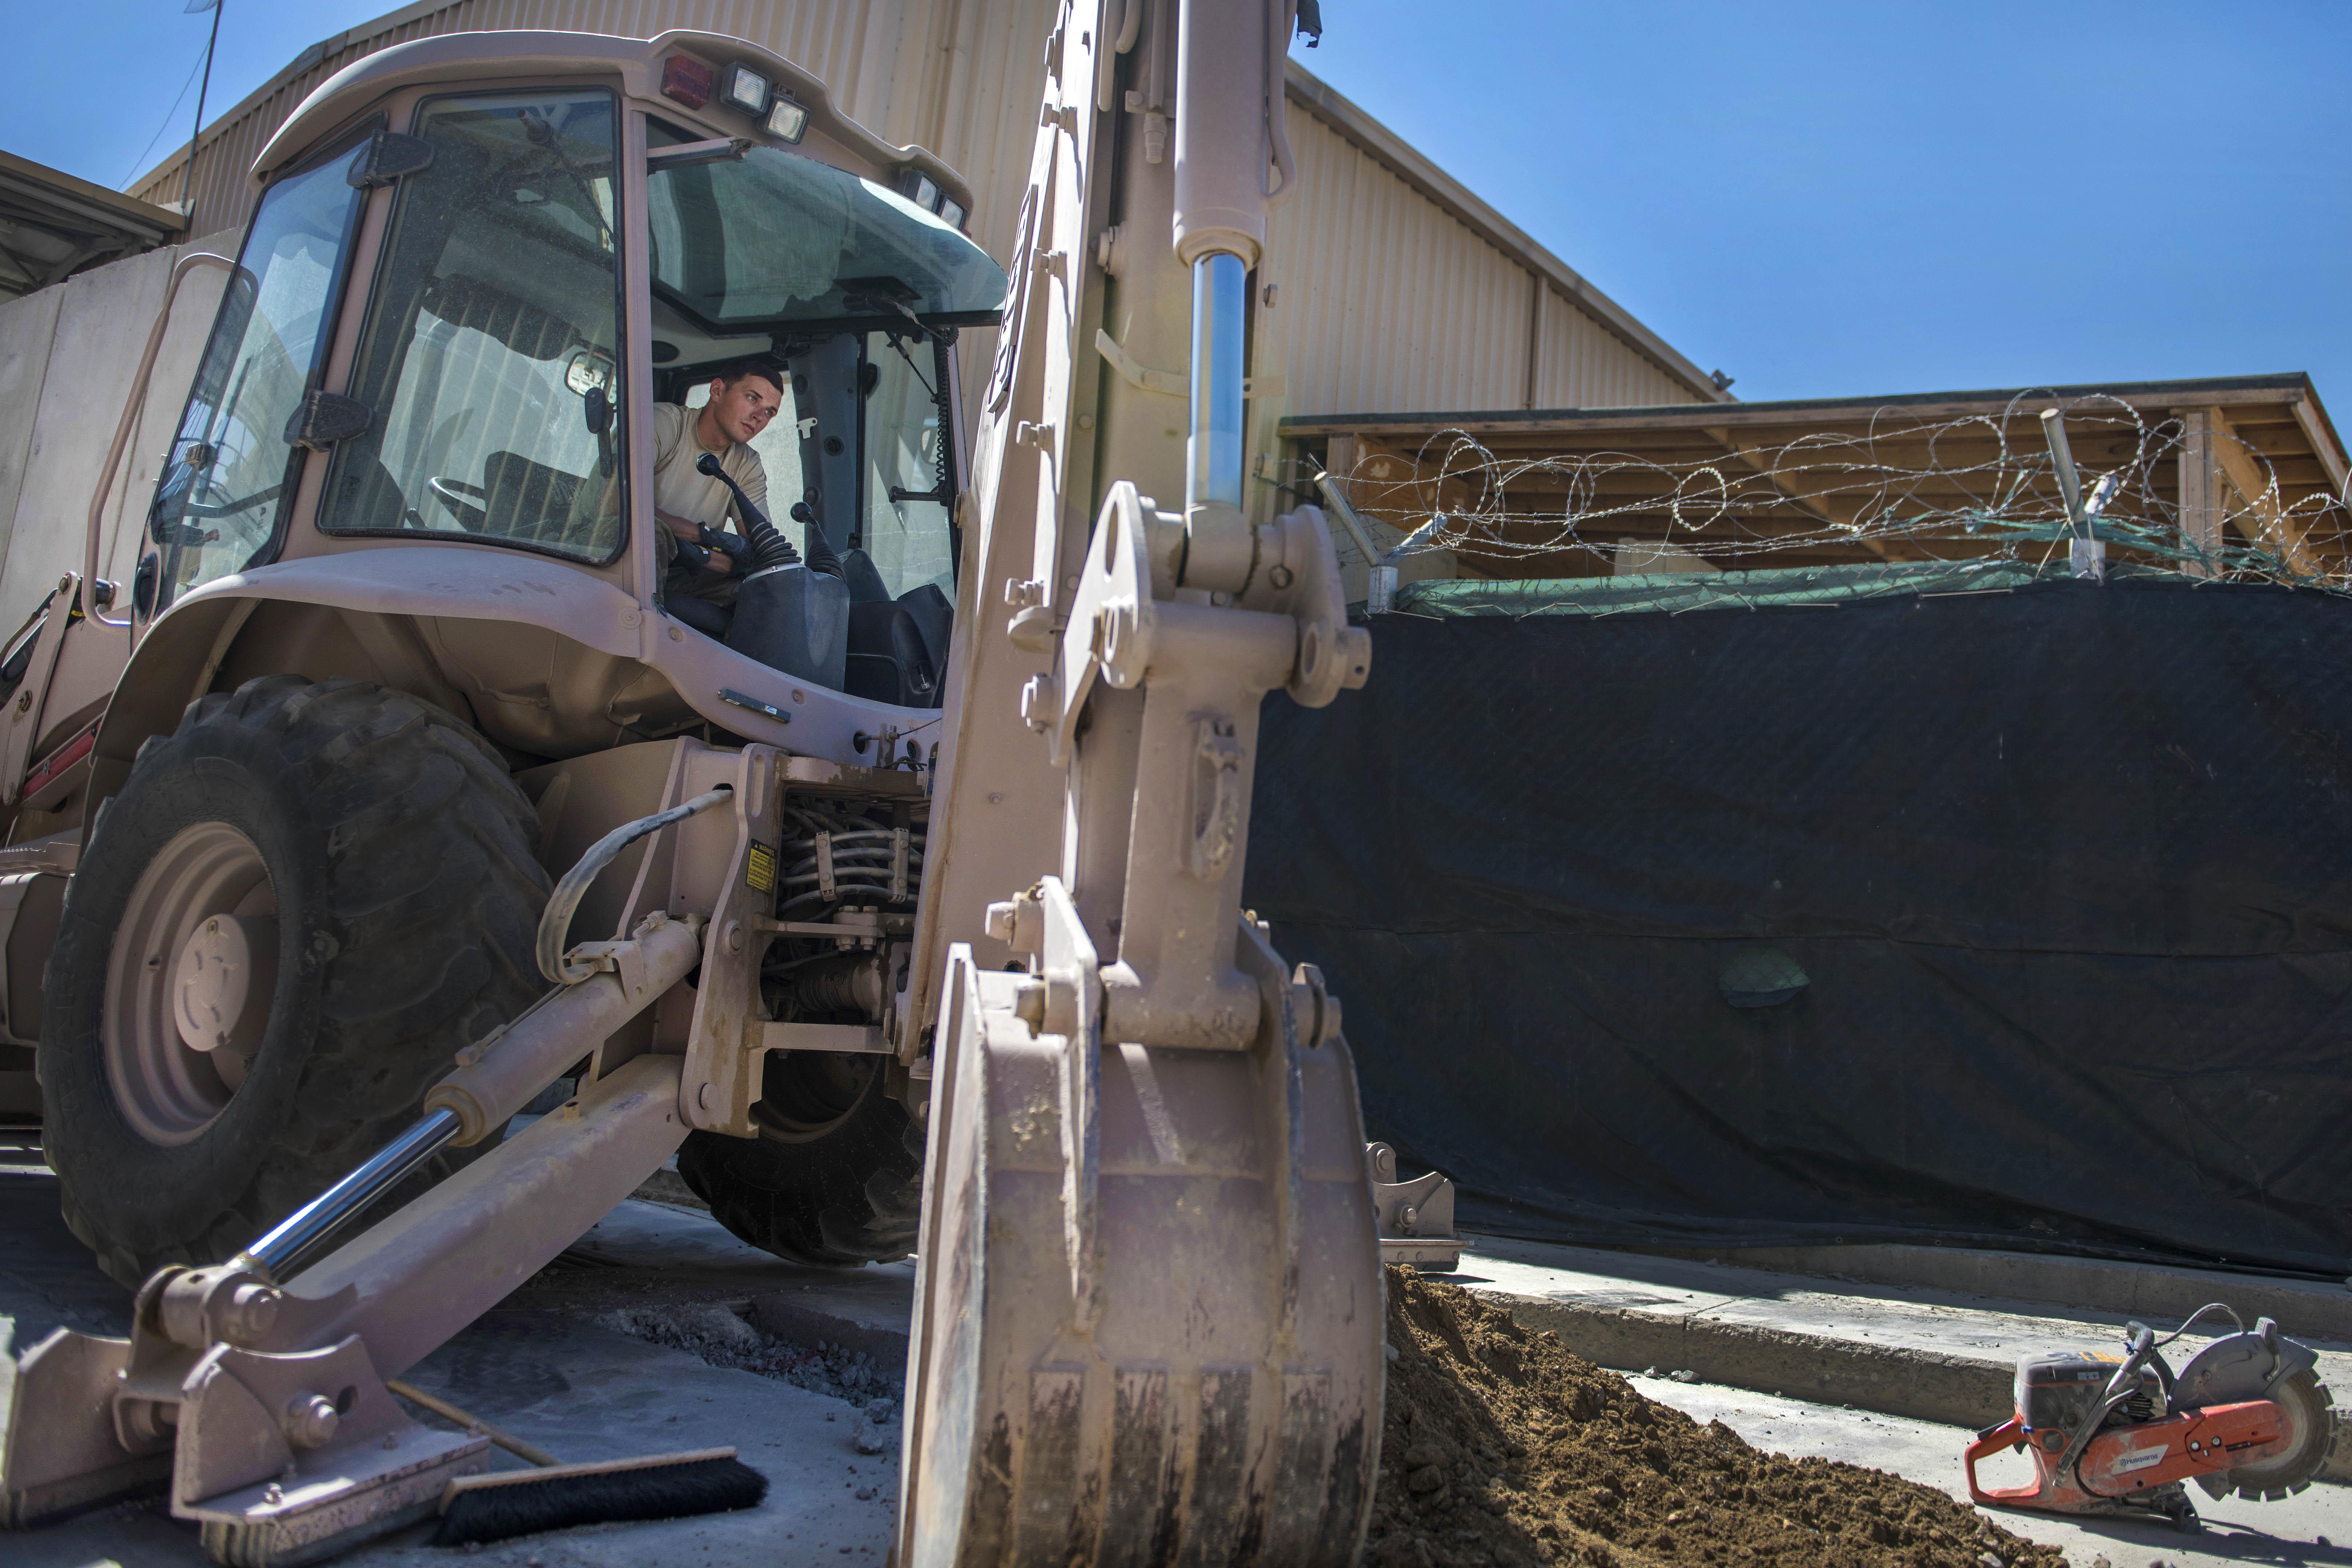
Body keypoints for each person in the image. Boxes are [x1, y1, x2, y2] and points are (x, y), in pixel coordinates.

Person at [651, 359, 784, 614]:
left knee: (769, 590)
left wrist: (703, 554)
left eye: (769, 412)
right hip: (606, 549)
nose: (759, 416)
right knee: (652, 535)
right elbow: (625, 509)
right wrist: (705, 543)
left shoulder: (747, 464)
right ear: (717, 391)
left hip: (682, 571)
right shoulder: (664, 424)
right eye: (753, 398)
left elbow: (760, 545)